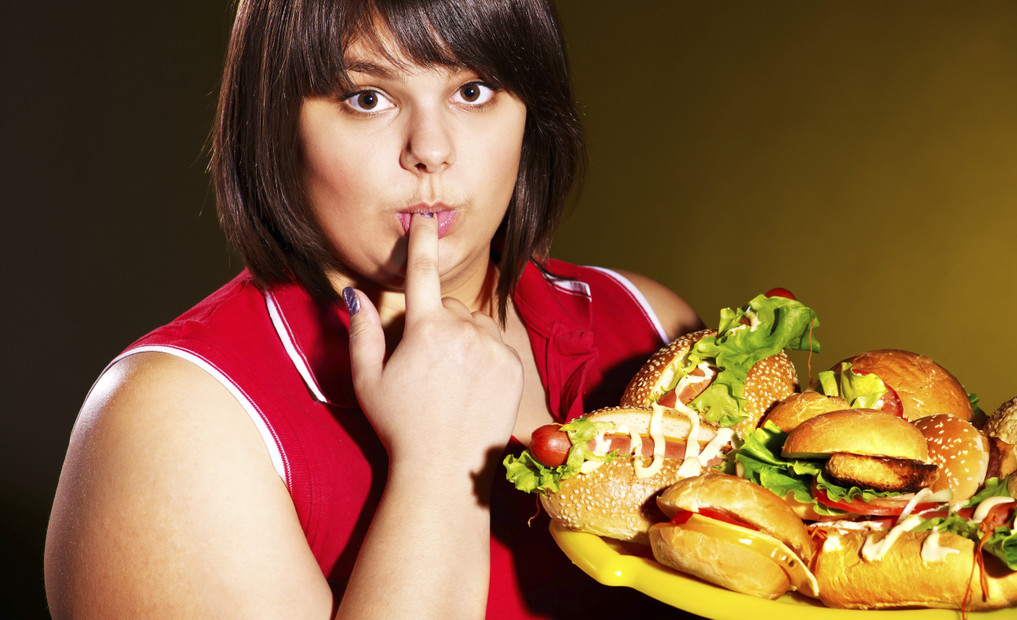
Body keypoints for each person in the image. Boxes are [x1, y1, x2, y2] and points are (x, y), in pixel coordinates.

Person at [44, 0, 702, 617]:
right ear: (274, 120)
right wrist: (439, 467)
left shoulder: (653, 330)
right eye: (367, 98)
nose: (431, 150)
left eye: (473, 90)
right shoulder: (173, 419)